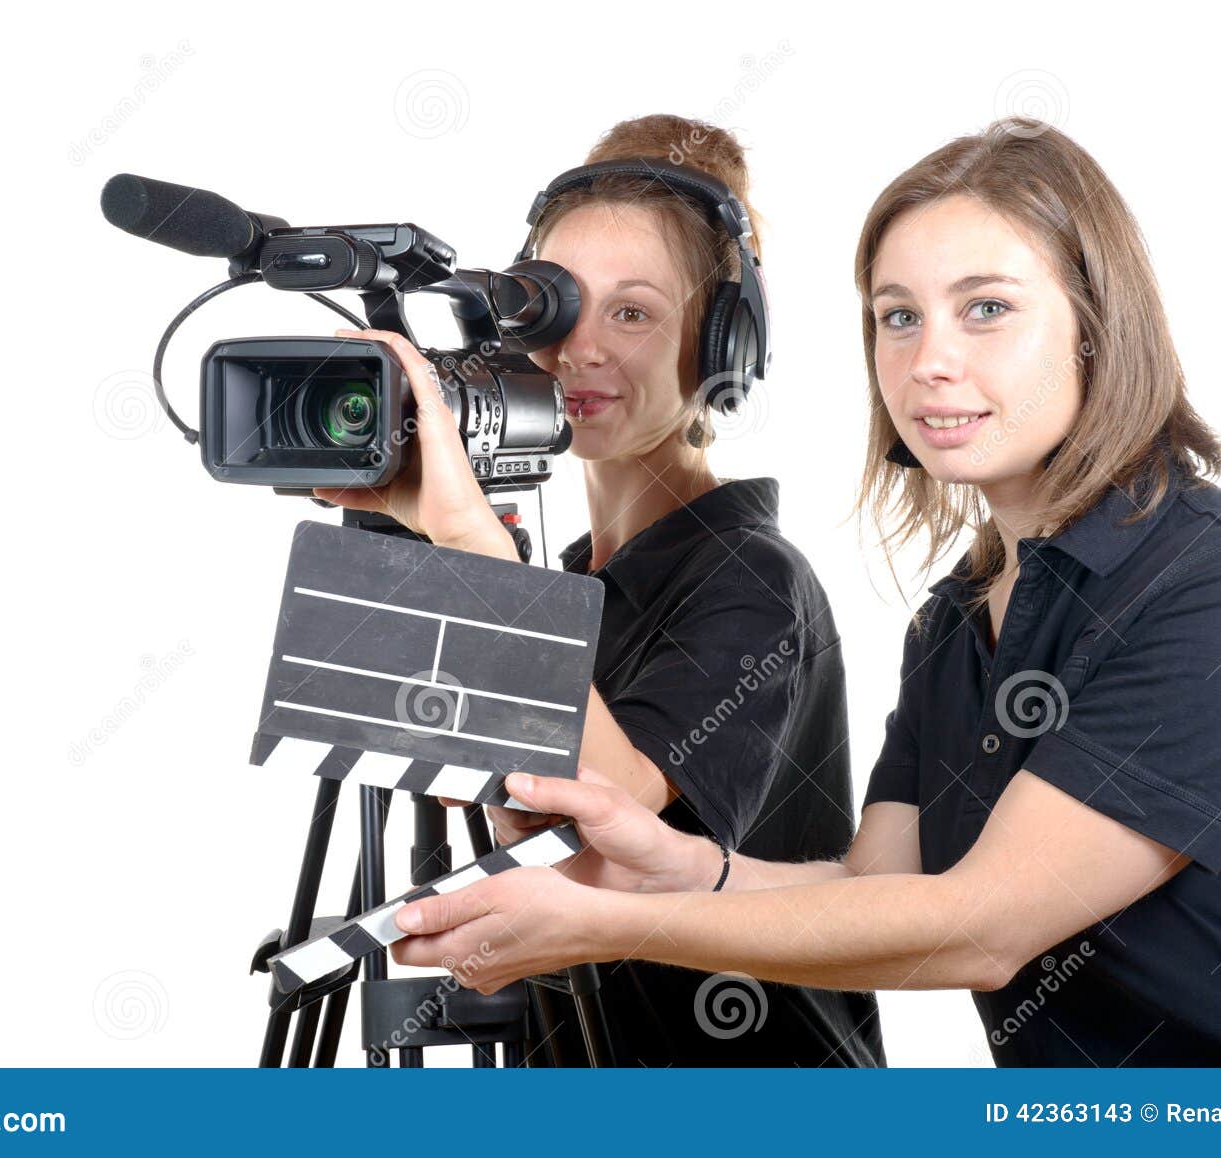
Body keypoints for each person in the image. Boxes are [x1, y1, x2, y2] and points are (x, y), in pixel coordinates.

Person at [383, 117, 1221, 1066]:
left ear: (1093, 326)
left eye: (986, 309)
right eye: (897, 316)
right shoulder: (957, 616)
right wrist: (685, 870)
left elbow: (983, 927)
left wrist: (612, 922)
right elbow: (882, 886)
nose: (929, 361)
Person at [313, 114, 883, 1066]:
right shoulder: (569, 580)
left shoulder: (752, 576)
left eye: (634, 311)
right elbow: (546, 838)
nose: (581, 348)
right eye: (557, 303)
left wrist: (466, 543)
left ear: (719, 347)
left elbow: (620, 805)